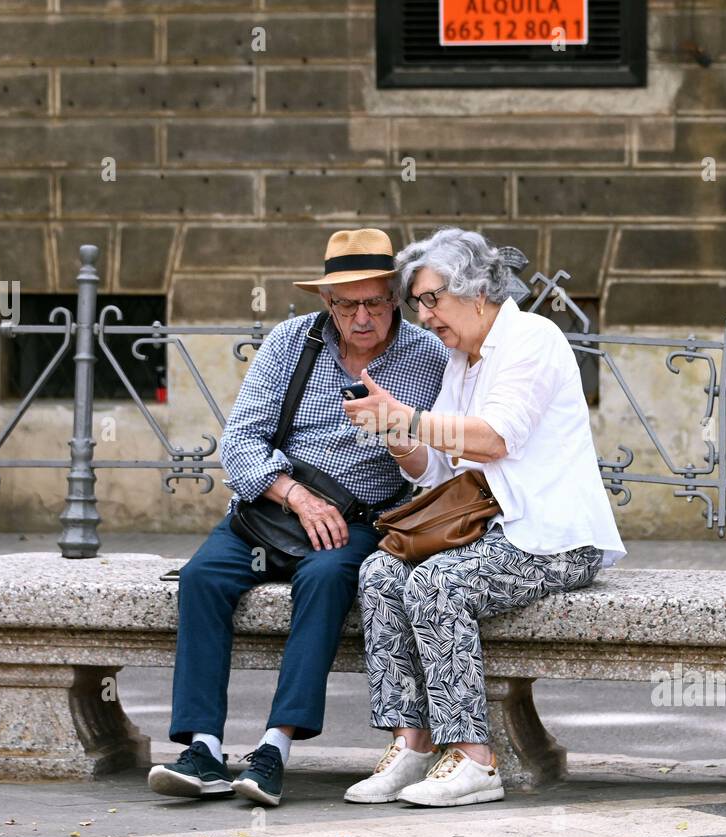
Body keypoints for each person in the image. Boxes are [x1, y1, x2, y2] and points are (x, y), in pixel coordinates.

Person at [148, 229, 448, 807]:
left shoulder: (427, 356)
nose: (362, 317)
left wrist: (395, 435)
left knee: (327, 578)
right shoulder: (291, 341)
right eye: (346, 304)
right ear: (326, 303)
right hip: (273, 510)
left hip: (357, 517)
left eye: (375, 302)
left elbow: (429, 470)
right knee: (202, 578)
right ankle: (204, 748)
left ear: (394, 298)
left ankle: (273, 749)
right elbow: (239, 444)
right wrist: (296, 496)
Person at [341, 227, 626, 807]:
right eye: (417, 304)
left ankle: (473, 758)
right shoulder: (460, 360)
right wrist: (393, 429)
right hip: (485, 530)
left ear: (475, 291)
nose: (424, 318)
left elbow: (494, 439)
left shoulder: (532, 340)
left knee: (437, 583)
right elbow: (432, 468)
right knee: (378, 574)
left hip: (553, 537)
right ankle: (413, 744)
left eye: (430, 300)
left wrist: (410, 416)